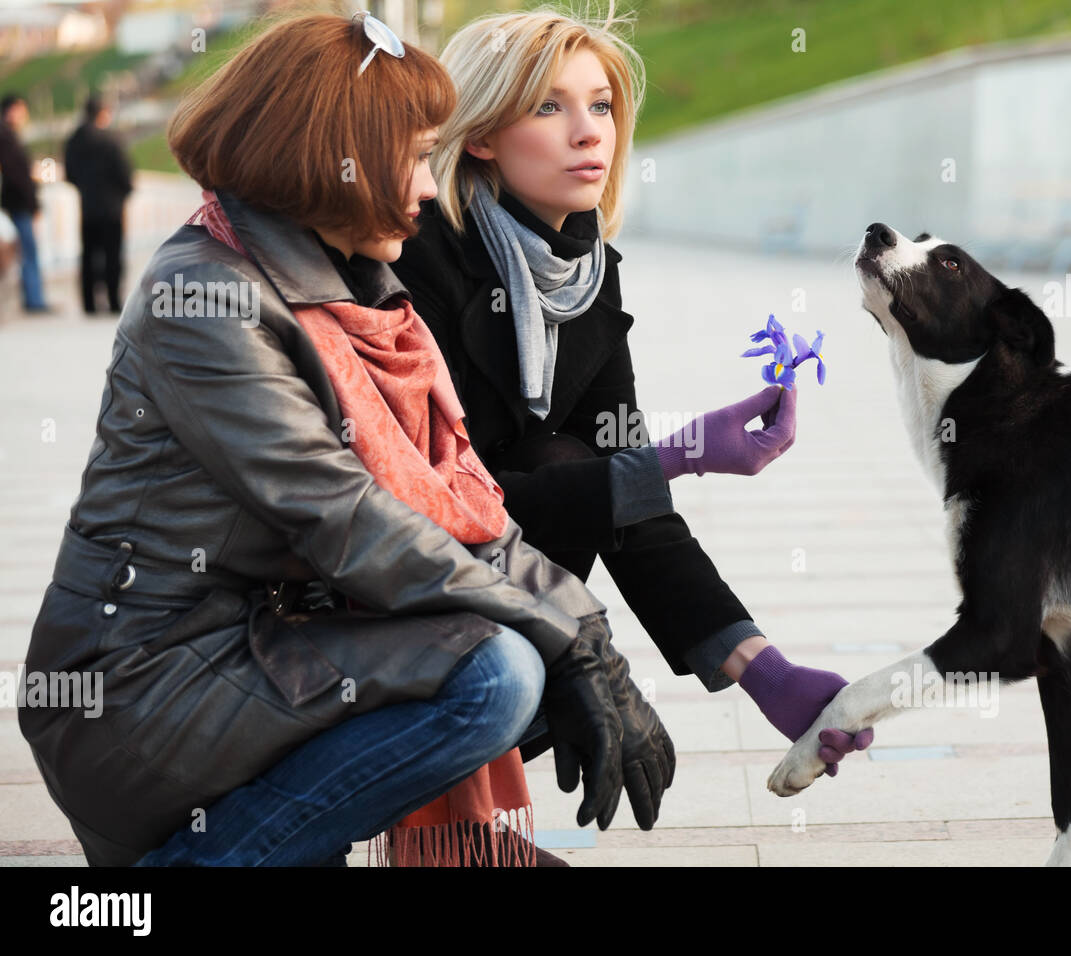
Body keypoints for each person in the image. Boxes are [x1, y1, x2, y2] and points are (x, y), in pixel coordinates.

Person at [18, 10, 647, 868]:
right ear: (332, 155)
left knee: (543, 661)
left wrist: (592, 638)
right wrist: (560, 639)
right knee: (497, 673)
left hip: (256, 649)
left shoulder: (359, 293)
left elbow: (465, 509)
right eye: (415, 155)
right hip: (141, 689)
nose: (430, 187)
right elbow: (348, 520)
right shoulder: (205, 299)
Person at [388, 1, 875, 838]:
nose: (589, 133)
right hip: (393, 567)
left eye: (601, 105)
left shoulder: (586, 270)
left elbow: (626, 499)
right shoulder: (420, 255)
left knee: (575, 454)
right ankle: (439, 814)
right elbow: (446, 498)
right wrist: (680, 454)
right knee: (561, 457)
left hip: (495, 558)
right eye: (550, 106)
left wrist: (766, 671)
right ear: (479, 136)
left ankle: (454, 821)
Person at [64, 93, 134, 316]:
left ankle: (89, 304)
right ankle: (113, 301)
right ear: (102, 113)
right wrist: (124, 191)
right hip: (112, 206)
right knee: (113, 255)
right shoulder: (111, 139)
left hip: (88, 206)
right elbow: (124, 173)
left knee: (88, 255)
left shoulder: (73, 140)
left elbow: (70, 174)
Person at [0, 93, 53, 314]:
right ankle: (34, 299)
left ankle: (34, 297)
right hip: (18, 204)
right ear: (11, 110)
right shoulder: (6, 136)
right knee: (28, 251)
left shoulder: (8, 135)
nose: (24, 115)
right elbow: (17, 175)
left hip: (15, 203)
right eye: (21, 109)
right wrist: (33, 204)